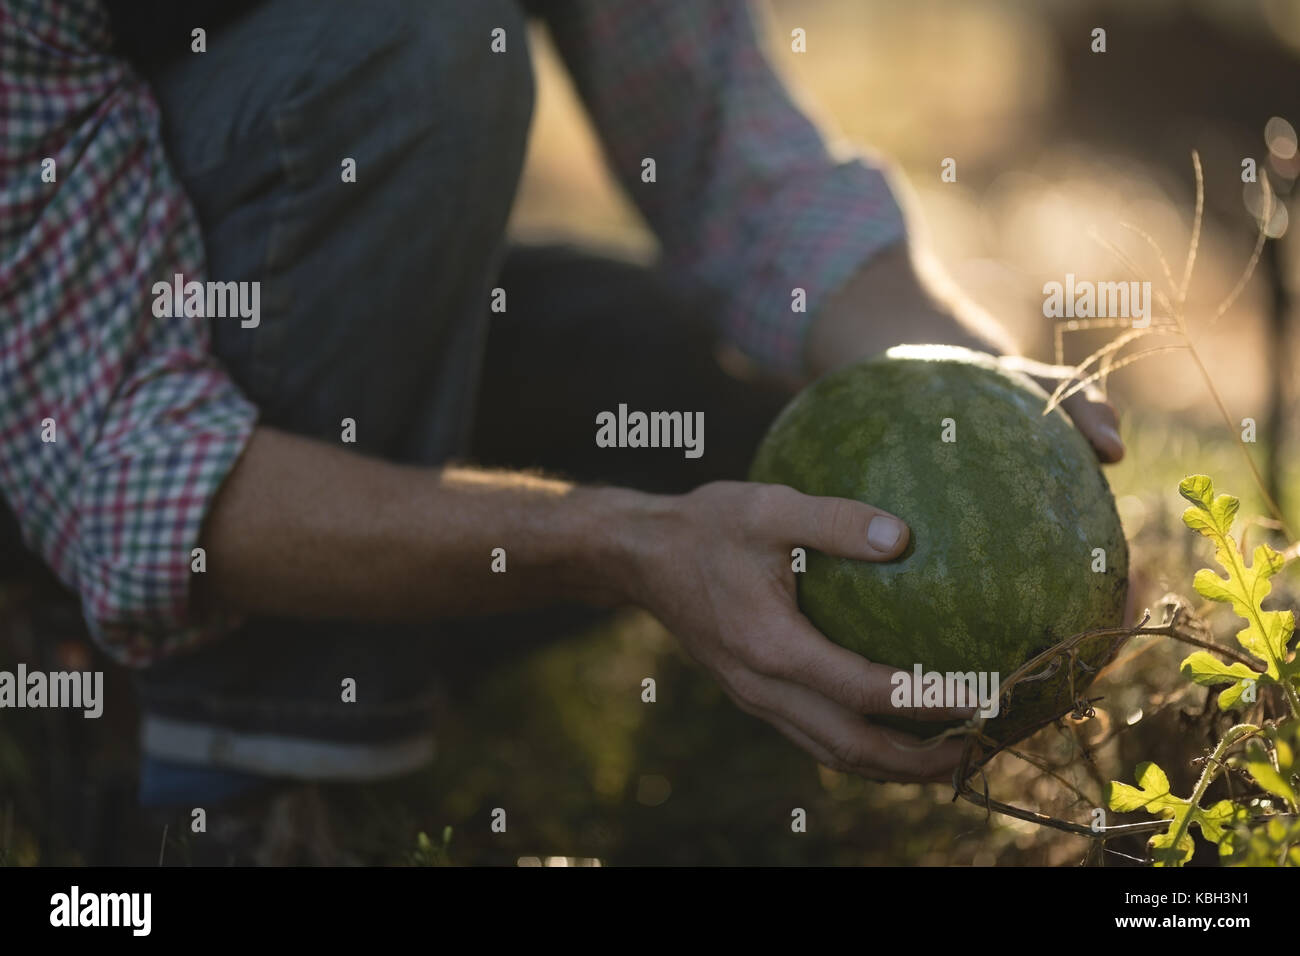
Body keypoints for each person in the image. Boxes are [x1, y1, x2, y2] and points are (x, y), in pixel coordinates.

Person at [1, 0, 1123, 859]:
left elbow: (724, 146)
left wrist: (960, 381)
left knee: (712, 399)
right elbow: (115, 458)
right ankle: (211, 768)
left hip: (256, 326)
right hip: (62, 414)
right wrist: (622, 543)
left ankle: (368, 640)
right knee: (426, 41)